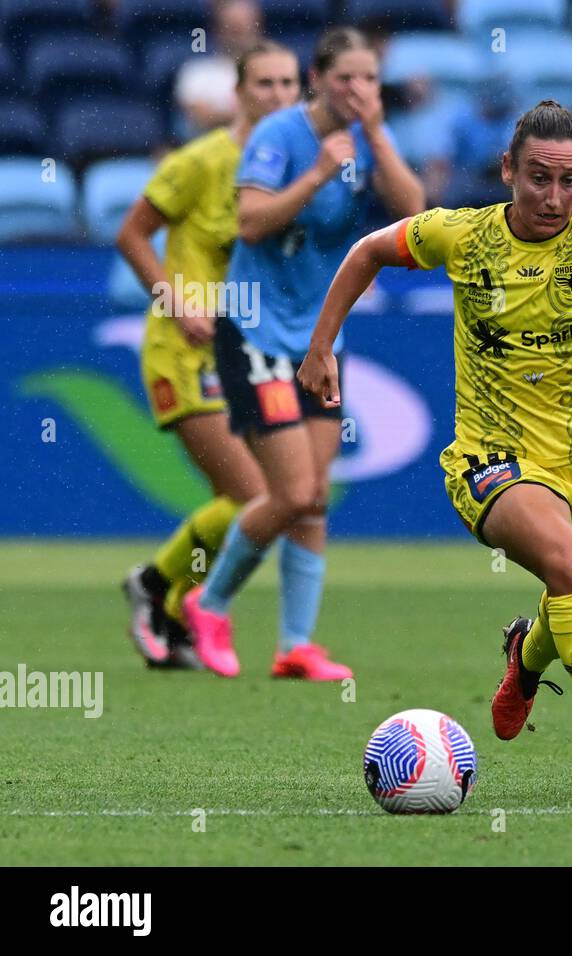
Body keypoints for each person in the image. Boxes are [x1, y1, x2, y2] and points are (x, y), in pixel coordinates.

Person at [297, 100, 572, 796]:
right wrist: (321, 344)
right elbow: (366, 251)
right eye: (538, 177)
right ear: (508, 169)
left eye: (570, 180)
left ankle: (525, 657)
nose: (554, 197)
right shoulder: (463, 235)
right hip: (493, 458)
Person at [182, 27, 425, 681]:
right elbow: (252, 221)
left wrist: (375, 137)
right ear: (318, 80)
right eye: (346, 78)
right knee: (289, 491)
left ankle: (294, 644)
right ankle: (207, 603)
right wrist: (319, 171)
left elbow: (414, 213)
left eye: (370, 78)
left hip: (320, 339)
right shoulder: (279, 136)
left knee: (313, 495)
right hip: (257, 331)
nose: (359, 90)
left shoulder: (370, 140)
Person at [118, 41, 301, 669]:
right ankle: (160, 588)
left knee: (285, 496)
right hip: (186, 353)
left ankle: (170, 605)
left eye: (288, 84)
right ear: (240, 93)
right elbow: (131, 233)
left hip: (250, 353)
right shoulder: (202, 161)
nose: (278, 96)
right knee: (257, 496)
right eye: (265, 84)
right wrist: (177, 303)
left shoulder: (288, 170)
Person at [175, 0, 266, 135]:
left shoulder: (271, 71)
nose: (241, 36)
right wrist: (255, 114)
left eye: (246, 27)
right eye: (234, 29)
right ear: (217, 29)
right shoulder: (196, 71)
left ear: (258, 28)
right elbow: (203, 117)